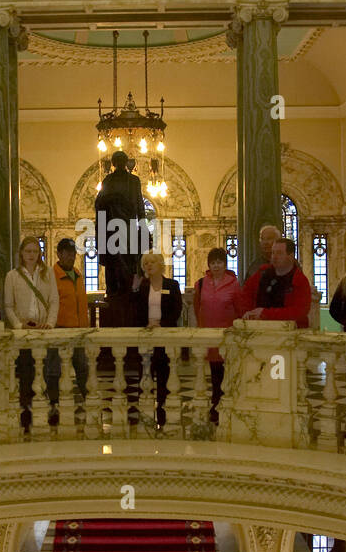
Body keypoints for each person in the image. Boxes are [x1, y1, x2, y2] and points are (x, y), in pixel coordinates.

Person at [4, 237, 59, 430]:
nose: (31, 255)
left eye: (35, 251)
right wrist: (19, 325)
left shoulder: (48, 273)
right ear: (21, 253)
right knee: (26, 372)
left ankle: (52, 408)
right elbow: (9, 306)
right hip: (25, 332)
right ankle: (26, 411)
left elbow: (54, 300)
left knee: (49, 371)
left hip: (44, 329)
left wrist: (50, 323)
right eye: (28, 251)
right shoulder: (12, 276)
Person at [94, 150, 151, 324]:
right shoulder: (107, 181)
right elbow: (98, 204)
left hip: (128, 226)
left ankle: (127, 291)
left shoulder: (134, 181)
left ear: (126, 163)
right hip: (110, 228)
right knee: (113, 265)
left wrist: (144, 228)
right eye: (116, 161)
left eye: (122, 160)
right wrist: (113, 198)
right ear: (113, 163)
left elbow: (140, 206)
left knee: (129, 263)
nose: (119, 163)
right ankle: (113, 291)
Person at [132, 250, 184, 427]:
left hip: (165, 336)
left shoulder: (171, 284)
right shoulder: (143, 286)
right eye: (146, 263)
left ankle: (162, 417)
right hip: (146, 338)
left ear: (160, 264)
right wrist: (135, 290)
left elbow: (176, 309)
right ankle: (145, 417)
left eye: (152, 262)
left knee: (164, 378)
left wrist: (162, 323)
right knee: (145, 377)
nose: (149, 265)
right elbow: (136, 311)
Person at [193, 246, 243, 419]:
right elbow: (197, 307)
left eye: (219, 262)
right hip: (208, 336)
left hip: (227, 337)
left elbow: (239, 310)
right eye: (213, 262)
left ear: (225, 264)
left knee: (227, 373)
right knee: (214, 374)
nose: (216, 266)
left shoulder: (233, 284)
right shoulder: (201, 284)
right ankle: (216, 406)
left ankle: (228, 405)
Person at [49, 238, 89, 406]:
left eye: (73, 253)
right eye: (66, 253)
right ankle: (53, 402)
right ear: (58, 254)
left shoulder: (78, 274)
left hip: (79, 331)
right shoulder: (51, 276)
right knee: (54, 369)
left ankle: (88, 398)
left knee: (82, 367)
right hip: (59, 329)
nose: (70, 256)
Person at [241, 239, 312, 327]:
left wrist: (265, 313)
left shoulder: (299, 280)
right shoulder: (262, 272)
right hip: (260, 328)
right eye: (273, 252)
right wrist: (249, 312)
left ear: (291, 256)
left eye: (279, 253)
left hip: (289, 332)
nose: (274, 257)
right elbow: (246, 294)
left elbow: (299, 312)